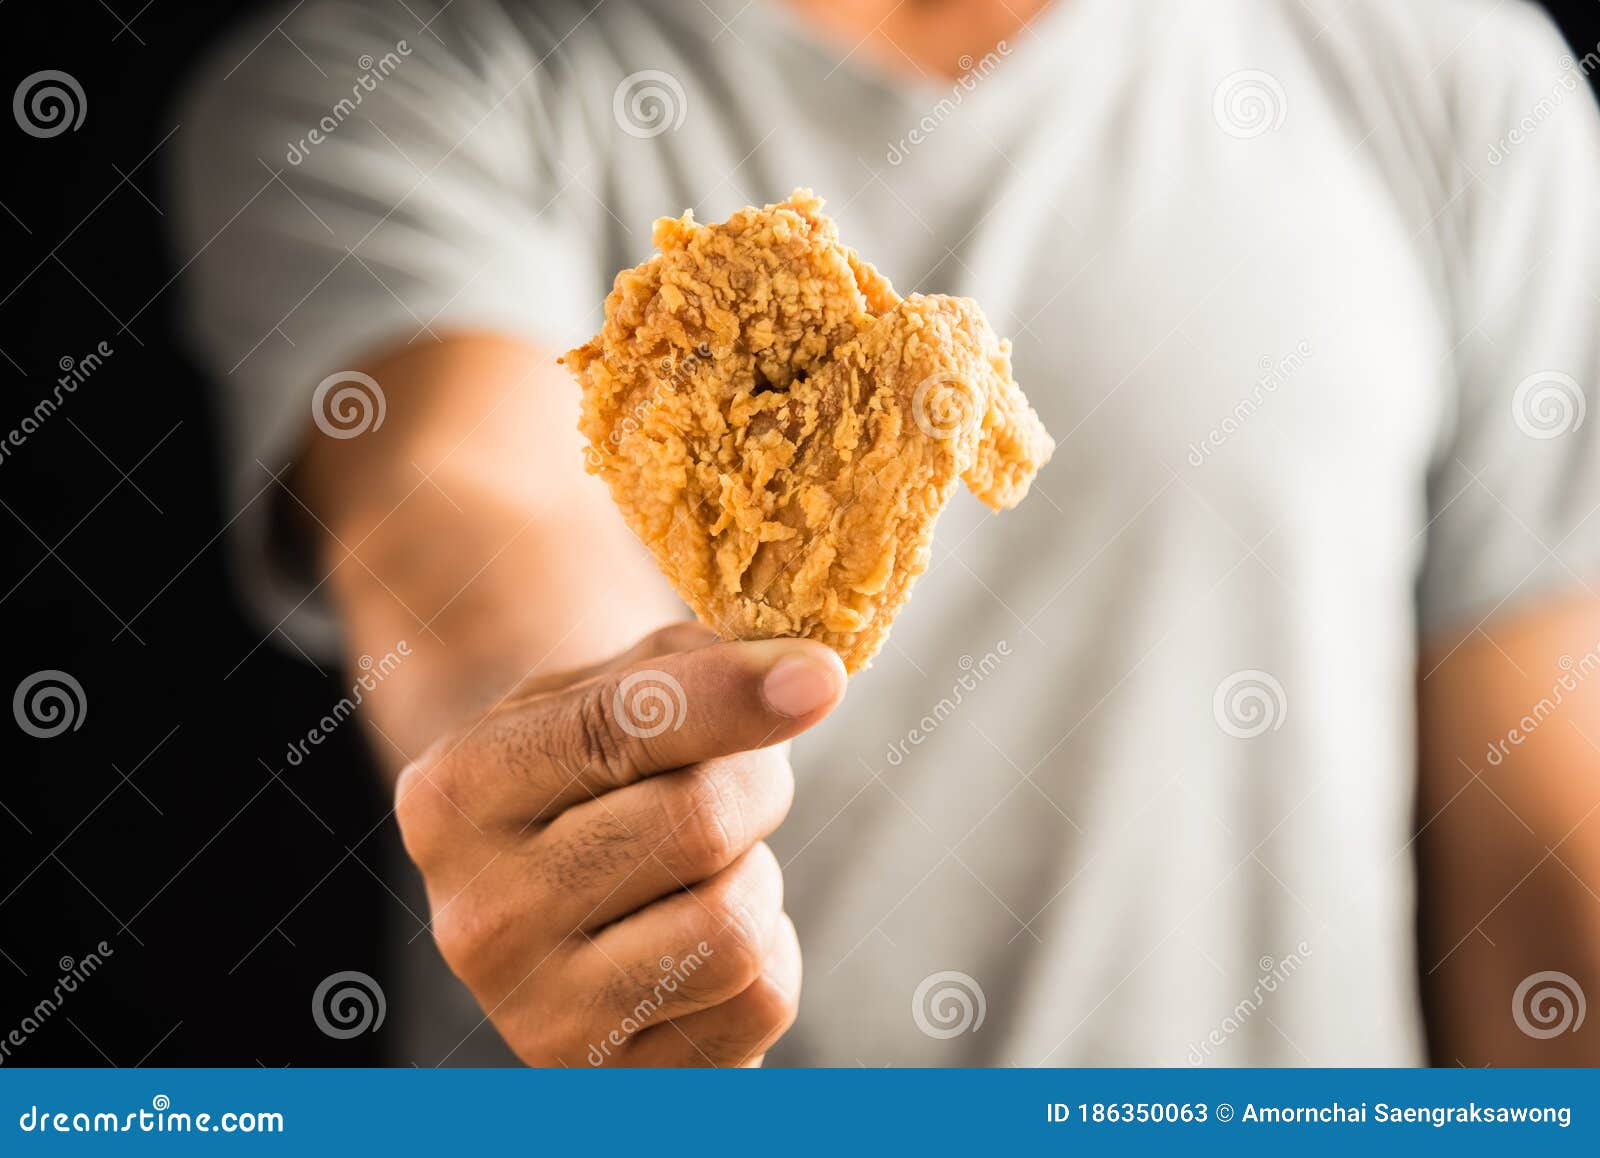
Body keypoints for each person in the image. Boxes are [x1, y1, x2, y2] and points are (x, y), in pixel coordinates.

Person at [173, 0, 1600, 1066]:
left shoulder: (1451, 80)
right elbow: (466, 512)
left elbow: (1544, 855)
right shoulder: (385, 83)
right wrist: (576, 788)